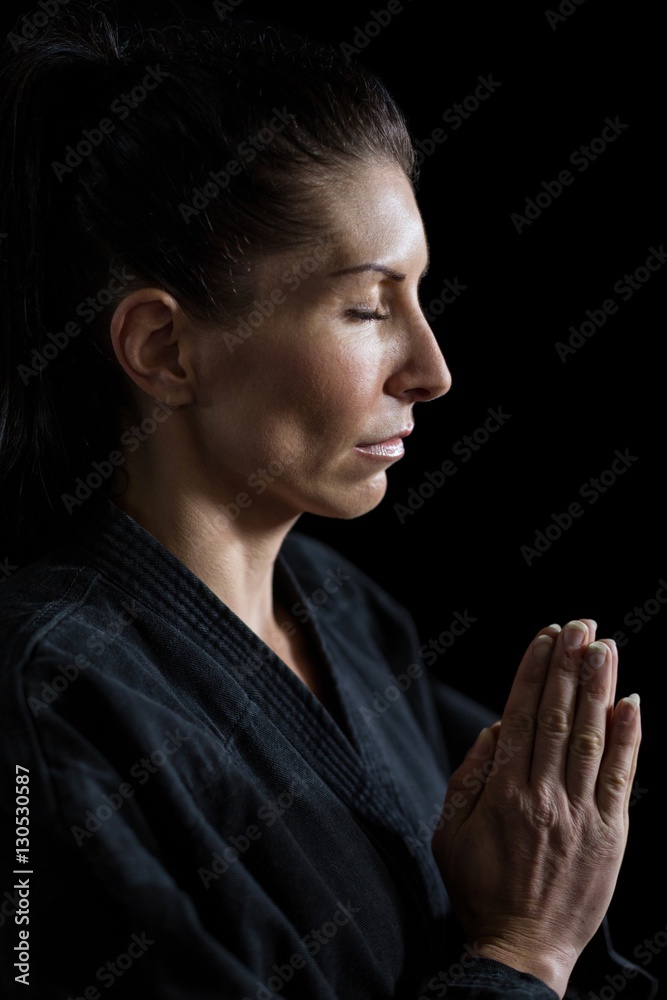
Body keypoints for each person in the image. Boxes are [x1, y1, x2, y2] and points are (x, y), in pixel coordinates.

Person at [0, 4, 656, 998]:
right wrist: (523, 949)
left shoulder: (350, 617)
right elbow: (527, 936)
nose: (431, 370)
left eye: (419, 296)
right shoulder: (49, 705)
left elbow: (546, 883)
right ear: (165, 349)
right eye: (364, 308)